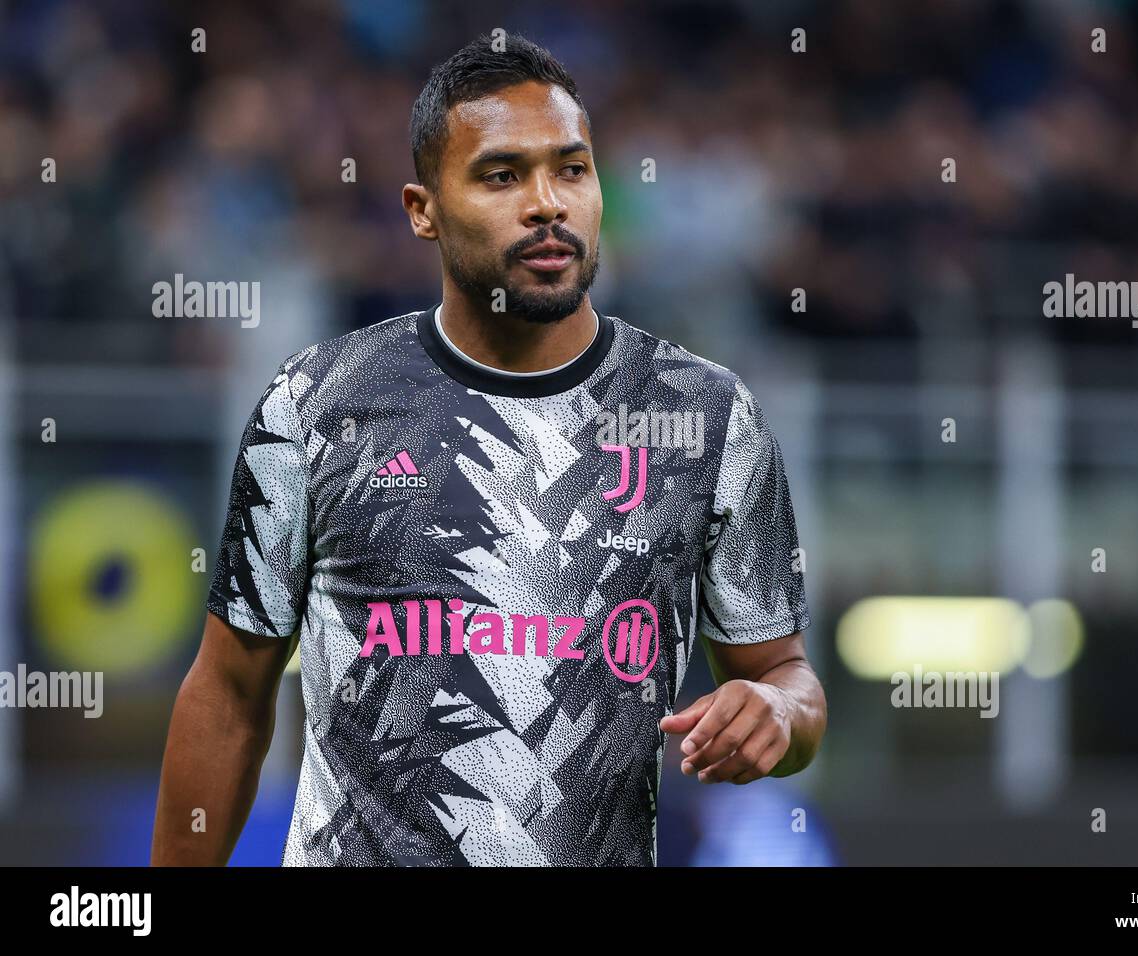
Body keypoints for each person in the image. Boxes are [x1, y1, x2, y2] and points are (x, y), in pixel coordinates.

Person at [152, 31, 826, 866]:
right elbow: (228, 692)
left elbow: (788, 676)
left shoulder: (705, 416)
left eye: (571, 169)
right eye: (502, 175)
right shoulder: (318, 404)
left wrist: (778, 711)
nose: (548, 203)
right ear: (421, 208)